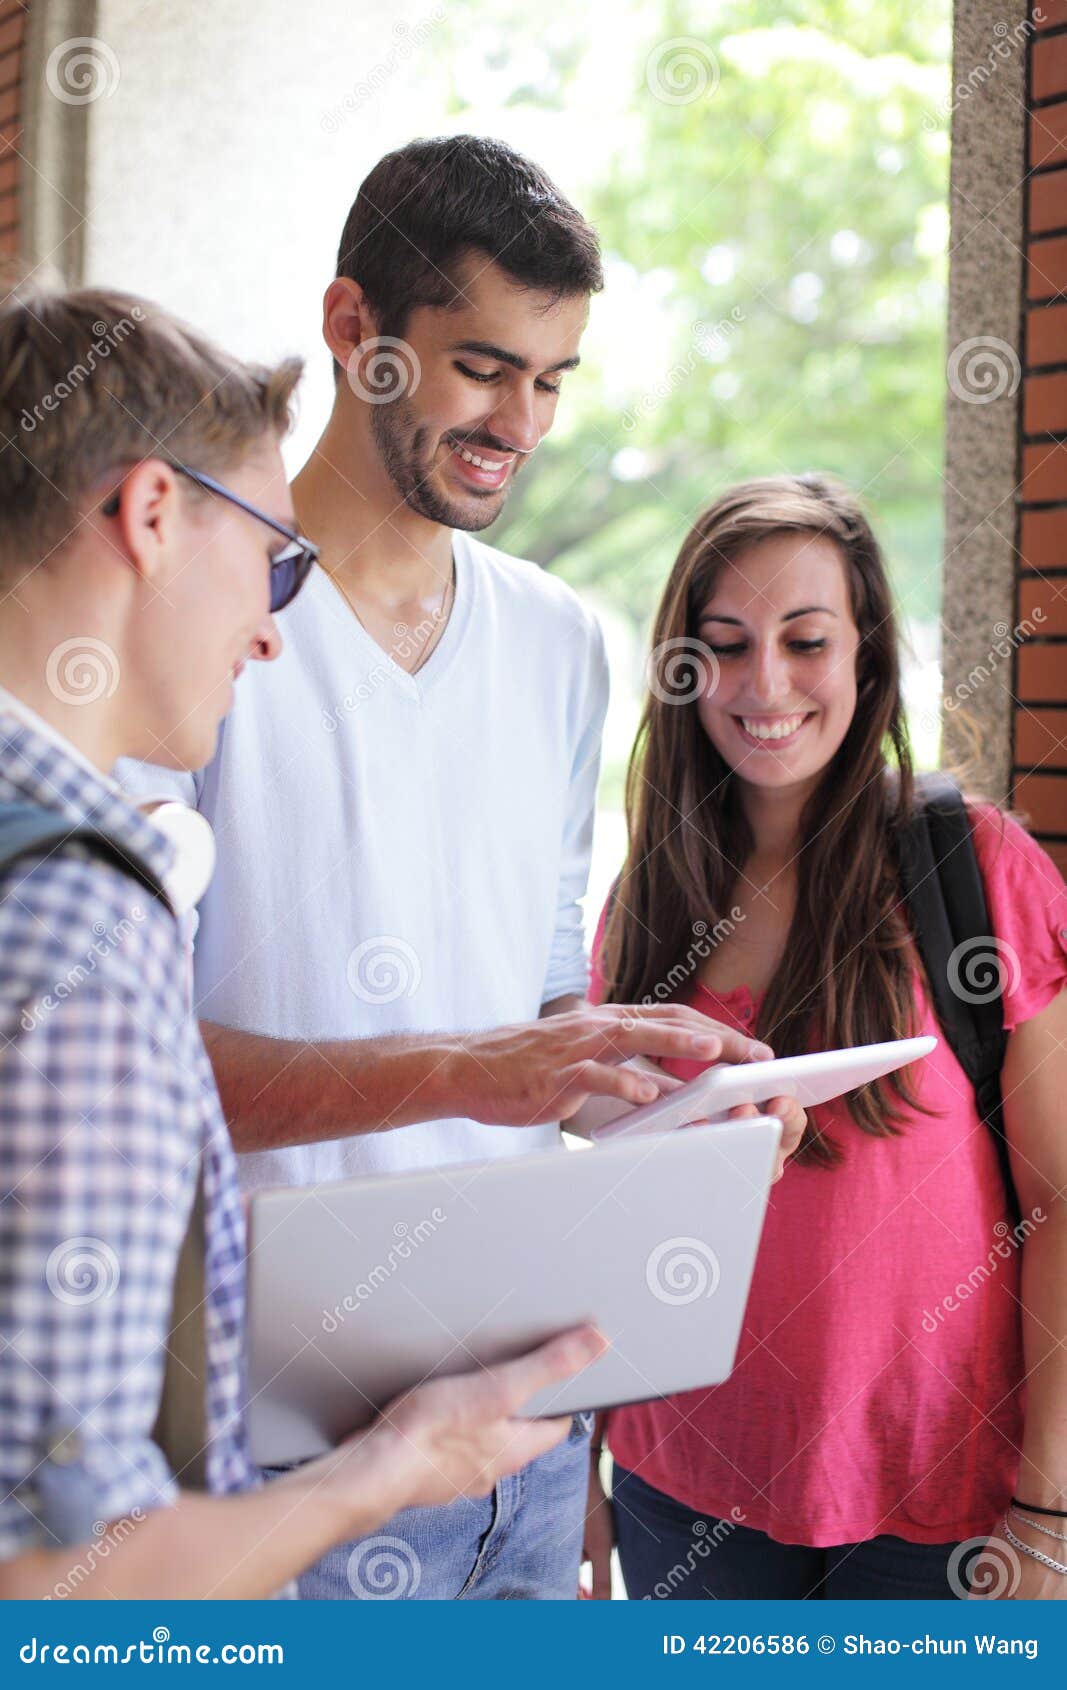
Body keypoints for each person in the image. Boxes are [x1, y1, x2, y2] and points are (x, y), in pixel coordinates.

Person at [117, 134, 775, 1601]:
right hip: (267, 1446)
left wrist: (676, 1109)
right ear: (354, 327)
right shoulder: (186, 626)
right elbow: (130, 1062)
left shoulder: (556, 643)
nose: (517, 424)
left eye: (551, 380)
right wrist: (477, 1069)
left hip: (520, 1428)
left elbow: (539, 1011)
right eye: (482, 367)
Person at [0, 279, 609, 1600]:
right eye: (273, 556)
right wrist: (390, 1469)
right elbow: (56, 1586)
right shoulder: (70, 911)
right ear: (150, 516)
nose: (275, 626)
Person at [583, 474, 1067, 1601]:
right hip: (678, 1484)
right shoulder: (646, 902)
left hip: (942, 1501)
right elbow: (611, 1212)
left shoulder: (973, 867)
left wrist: (1048, 1507)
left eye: (805, 641)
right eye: (725, 645)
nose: (764, 684)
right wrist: (582, 1459)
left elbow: (1057, 1201)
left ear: (866, 657)